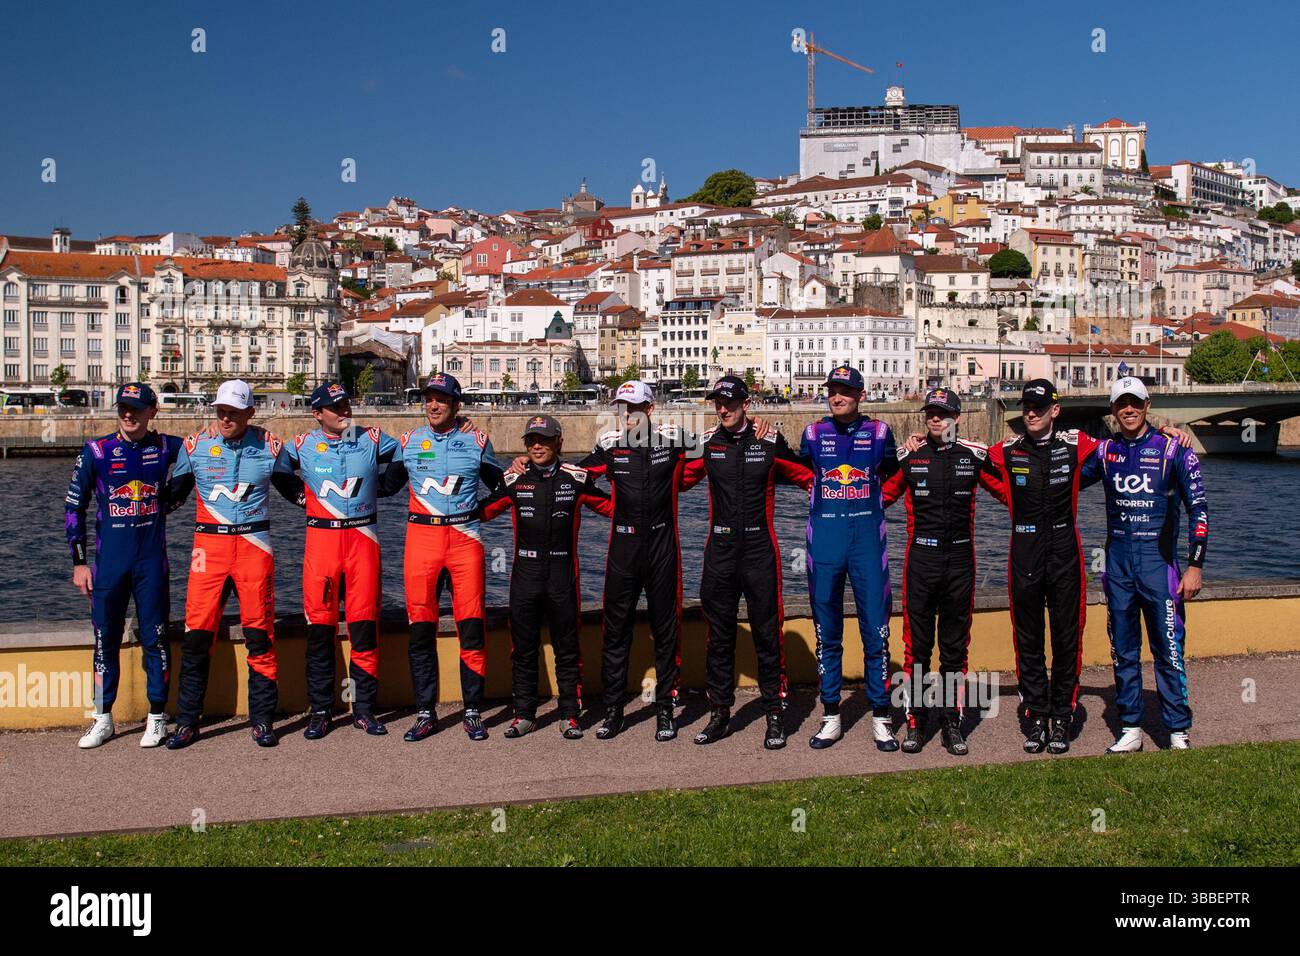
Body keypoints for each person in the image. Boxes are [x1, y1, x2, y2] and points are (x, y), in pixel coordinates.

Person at [985, 379, 1190, 755]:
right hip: (1025, 553)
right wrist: (920, 443)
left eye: (1040, 406)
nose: (1032, 412)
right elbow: (970, 459)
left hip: (1066, 552)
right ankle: (1035, 717)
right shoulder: (1006, 450)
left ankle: (1062, 717)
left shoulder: (1079, 444)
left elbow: (1127, 444)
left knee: (1067, 640)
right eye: (1027, 406)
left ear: (1055, 410)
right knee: (1028, 642)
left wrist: (1164, 431)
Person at [161, 380, 305, 749]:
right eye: (221, 411)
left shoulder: (271, 447)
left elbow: (299, 492)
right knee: (196, 637)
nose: (226, 419)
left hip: (255, 546)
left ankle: (262, 721)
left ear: (250, 414)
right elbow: (171, 497)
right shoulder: (195, 446)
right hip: (208, 549)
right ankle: (188, 723)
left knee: (259, 636)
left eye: (234, 413)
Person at [559, 380, 703, 742]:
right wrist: (530, 461)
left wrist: (758, 429)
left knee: (667, 631)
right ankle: (613, 711)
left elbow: (716, 451)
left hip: (662, 546)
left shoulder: (674, 439)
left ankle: (666, 711)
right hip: (622, 549)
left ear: (650, 410)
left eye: (634, 408)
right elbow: (575, 476)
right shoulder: (609, 444)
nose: (626, 415)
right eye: (621, 408)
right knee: (616, 631)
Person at [679, 375, 813, 749]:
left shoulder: (770, 441)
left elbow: (810, 477)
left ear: (746, 404)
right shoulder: (707, 443)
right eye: (718, 403)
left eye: (730, 403)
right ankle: (719, 713)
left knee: (768, 636)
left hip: (759, 552)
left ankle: (775, 715)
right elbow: (671, 480)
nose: (723, 409)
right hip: (719, 552)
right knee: (718, 638)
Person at [1079, 377, 1207, 753]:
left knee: (1168, 648)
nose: (1129, 410)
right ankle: (1130, 726)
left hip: (1159, 564)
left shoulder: (1174, 449)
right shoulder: (1105, 452)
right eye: (1122, 404)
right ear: (1114, 410)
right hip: (1117, 565)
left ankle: (1177, 729)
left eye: (1135, 403)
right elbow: (1063, 480)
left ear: (1148, 405)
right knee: (1123, 649)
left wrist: (1194, 566)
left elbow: (1198, 511)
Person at [883, 387, 1008, 756]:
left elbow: (1011, 491)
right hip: (920, 561)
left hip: (960, 562)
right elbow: (877, 497)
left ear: (958, 417)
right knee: (917, 648)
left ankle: (951, 721)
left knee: (954, 649)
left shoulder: (973, 456)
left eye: (942, 413)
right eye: (930, 414)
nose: (935, 419)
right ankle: (917, 722)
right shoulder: (911, 457)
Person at [381, 372, 505, 742]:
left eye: (441, 399)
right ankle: (425, 713)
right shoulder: (410, 442)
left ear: (456, 405)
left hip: (465, 541)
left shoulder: (477, 440)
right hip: (422, 541)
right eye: (428, 399)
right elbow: (386, 488)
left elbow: (501, 491)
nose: (433, 405)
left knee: (471, 628)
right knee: (421, 631)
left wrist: (477, 512)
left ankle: (471, 711)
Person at [479, 414, 613, 739]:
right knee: (523, 649)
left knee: (567, 648)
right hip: (524, 576)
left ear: (559, 443)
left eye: (544, 439)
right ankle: (524, 714)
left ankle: (569, 714)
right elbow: (481, 511)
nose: (537, 446)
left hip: (563, 574)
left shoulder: (576, 479)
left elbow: (614, 508)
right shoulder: (514, 480)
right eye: (531, 441)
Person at [283, 381, 402, 739]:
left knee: (364, 629)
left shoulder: (370, 437)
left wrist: (383, 487)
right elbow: (277, 471)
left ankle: (363, 709)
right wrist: (303, 499)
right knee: (320, 632)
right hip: (322, 544)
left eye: (346, 403)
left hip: (363, 541)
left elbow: (402, 457)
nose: (344, 411)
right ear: (317, 413)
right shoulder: (302, 445)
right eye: (335, 407)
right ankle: (320, 711)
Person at [64, 383, 180, 749]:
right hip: (108, 565)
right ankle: (102, 718)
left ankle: (157, 717)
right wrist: (80, 562)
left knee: (156, 638)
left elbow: (207, 450)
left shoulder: (166, 447)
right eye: (123, 408)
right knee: (104, 640)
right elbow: (73, 507)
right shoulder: (97, 450)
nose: (128, 414)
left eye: (136, 408)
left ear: (152, 412)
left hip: (151, 563)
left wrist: (171, 501)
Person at [798, 365, 902, 751]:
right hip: (824, 539)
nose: (837, 397)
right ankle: (831, 715)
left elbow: (896, 475)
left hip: (866, 540)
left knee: (876, 630)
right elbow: (790, 469)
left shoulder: (879, 432)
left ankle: (881, 716)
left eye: (845, 391)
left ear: (860, 396)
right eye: (832, 391)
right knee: (827, 632)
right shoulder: (812, 434)